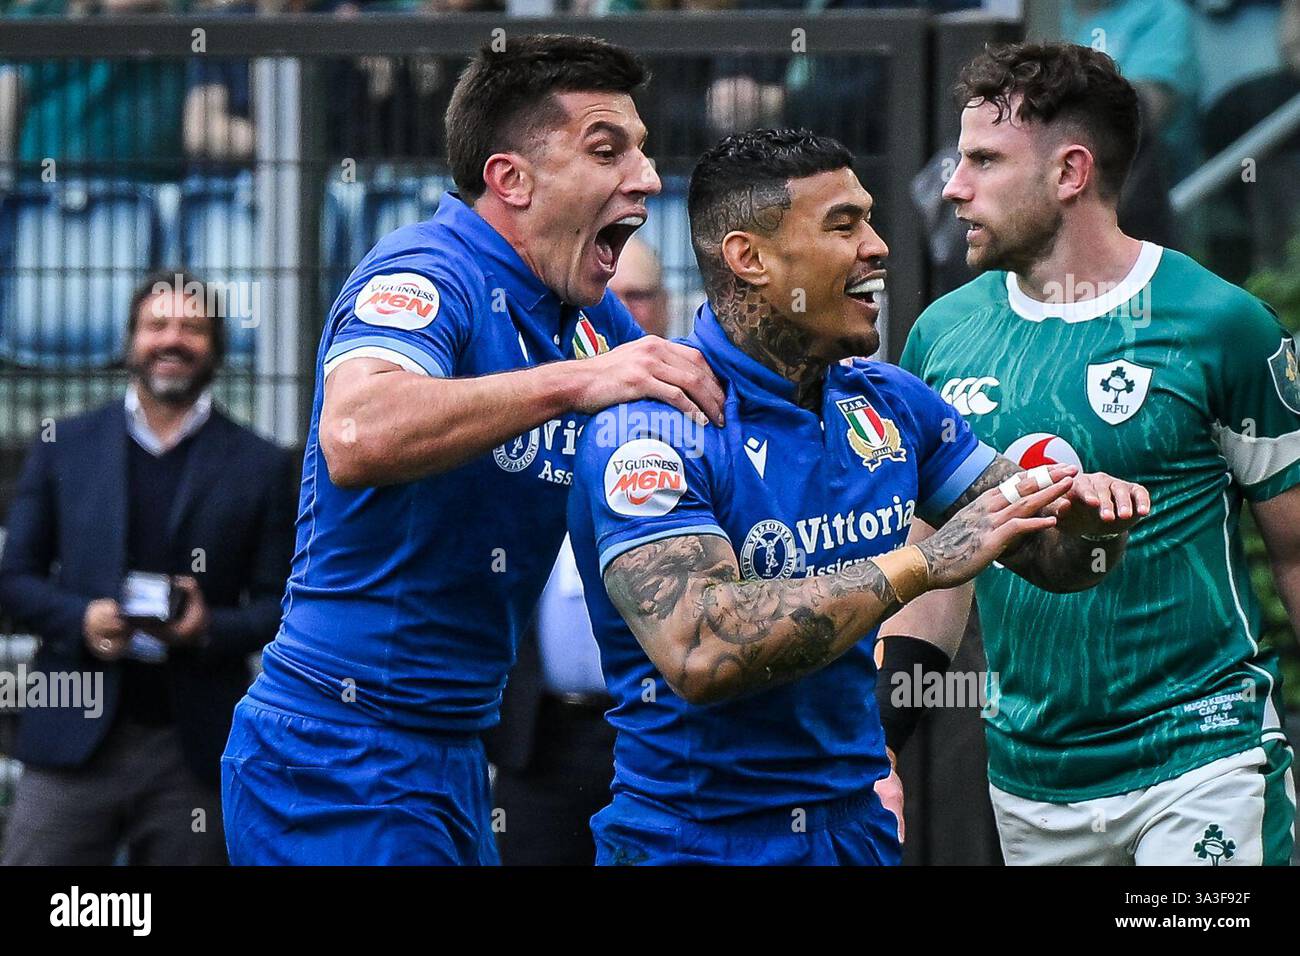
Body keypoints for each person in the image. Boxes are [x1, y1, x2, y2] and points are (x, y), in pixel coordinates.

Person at [566, 128, 1148, 866]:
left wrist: (1095, 526)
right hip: (694, 843)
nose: (877, 247)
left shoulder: (891, 402)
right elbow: (701, 649)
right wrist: (925, 563)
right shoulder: (651, 430)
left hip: (855, 830)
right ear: (749, 259)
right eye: (844, 225)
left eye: (869, 220)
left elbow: (1053, 559)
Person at [220, 34, 724, 866]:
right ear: (511, 180)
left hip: (452, 753)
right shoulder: (426, 268)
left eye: (643, 149)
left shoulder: (586, 317)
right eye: (608, 149)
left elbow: (719, 414)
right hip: (336, 751)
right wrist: (575, 383)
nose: (647, 177)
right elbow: (357, 432)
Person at [884, 41, 1300, 865]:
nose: (953, 187)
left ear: (1071, 173)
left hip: (1201, 759)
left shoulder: (1222, 324)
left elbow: (1296, 552)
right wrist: (881, 744)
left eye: (983, 160)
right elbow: (933, 562)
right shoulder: (940, 335)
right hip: (1033, 781)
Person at [0, 270, 296, 865]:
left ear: (216, 346)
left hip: (194, 746)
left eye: (192, 327)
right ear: (131, 340)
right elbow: (13, 581)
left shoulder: (261, 464)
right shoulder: (66, 444)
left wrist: (207, 627)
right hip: (72, 733)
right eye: (157, 325)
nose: (173, 339)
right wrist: (82, 619)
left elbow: (280, 606)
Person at [490, 238, 671, 866]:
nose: (622, 314)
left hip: (654, 735)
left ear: (666, 308)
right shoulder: (532, 420)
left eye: (639, 297)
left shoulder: (696, 428)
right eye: (610, 299)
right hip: (536, 737)